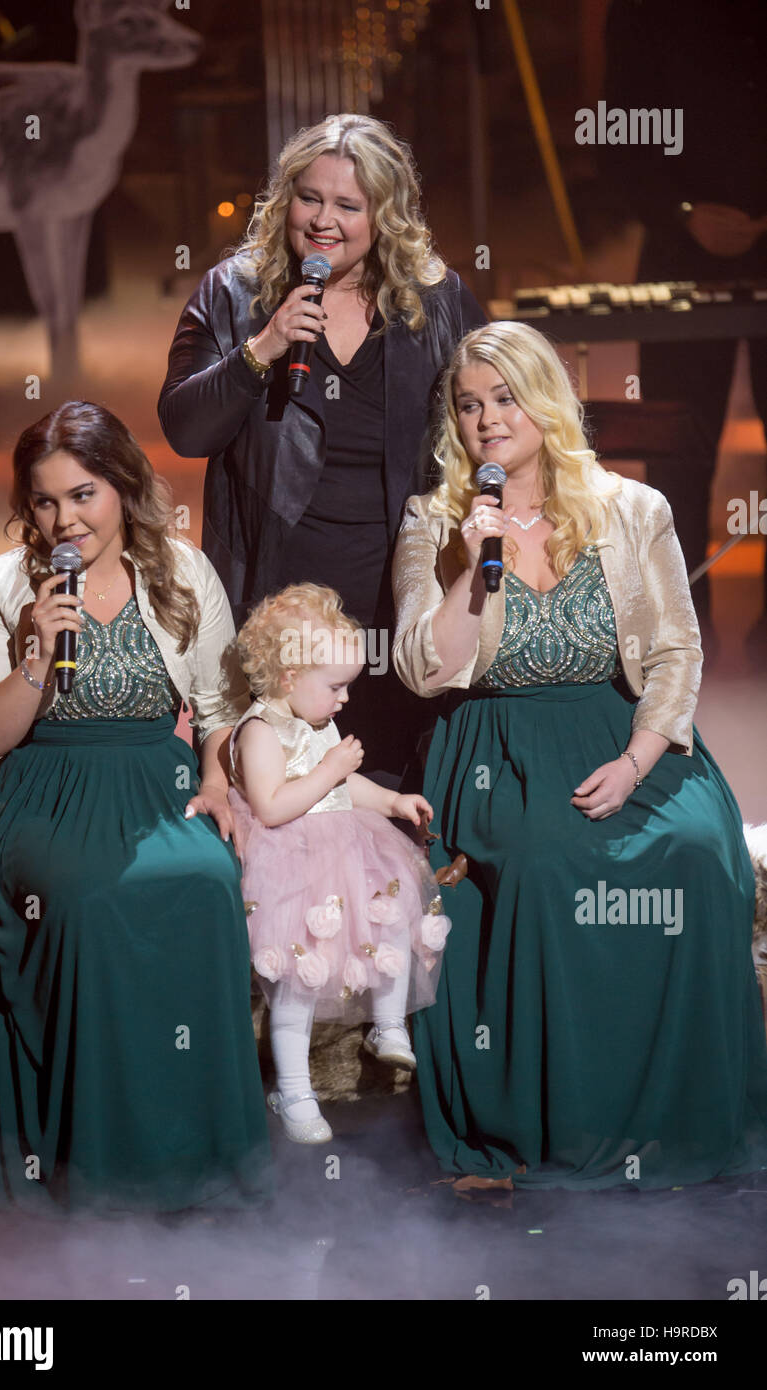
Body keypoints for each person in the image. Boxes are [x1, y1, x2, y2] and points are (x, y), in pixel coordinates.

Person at [391, 321, 767, 1190]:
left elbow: (675, 652)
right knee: (549, 860)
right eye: (469, 404)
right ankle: (574, 1114)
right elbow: (420, 668)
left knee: (699, 854)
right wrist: (469, 566)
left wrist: (638, 760)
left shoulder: (633, 509)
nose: (487, 418)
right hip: (495, 742)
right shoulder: (435, 520)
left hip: (623, 731)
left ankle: (679, 1111)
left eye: (505, 397)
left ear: (545, 400)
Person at [0, 400, 271, 1214]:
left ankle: (197, 1155)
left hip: (155, 781)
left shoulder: (182, 571)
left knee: (204, 882)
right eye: (47, 500)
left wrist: (214, 780)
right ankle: (103, 1168)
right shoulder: (0, 585)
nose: (65, 519)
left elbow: (219, 703)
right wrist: (33, 661)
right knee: (92, 896)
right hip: (39, 790)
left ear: (122, 488)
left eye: (83, 494)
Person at [158, 112, 485, 781]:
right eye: (309, 198)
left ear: (384, 215)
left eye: (347, 205)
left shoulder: (438, 299)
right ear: (285, 201)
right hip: (276, 593)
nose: (322, 220)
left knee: (392, 788)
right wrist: (262, 350)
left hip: (400, 592)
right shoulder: (234, 294)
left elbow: (491, 423)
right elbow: (186, 430)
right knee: (281, 796)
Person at [227, 582, 451, 1144]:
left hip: (344, 853)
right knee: (297, 982)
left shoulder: (315, 721)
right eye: (335, 687)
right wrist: (328, 771)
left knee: (394, 913)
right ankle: (295, 1090)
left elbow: (345, 787)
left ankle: (389, 1026)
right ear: (288, 677)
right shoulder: (258, 731)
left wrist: (393, 801)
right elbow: (273, 806)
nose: (344, 700)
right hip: (289, 866)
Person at [602, 0, 767, 651]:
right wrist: (680, 212)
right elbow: (616, 139)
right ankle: (678, 630)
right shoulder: (645, 13)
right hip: (676, 257)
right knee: (676, 452)